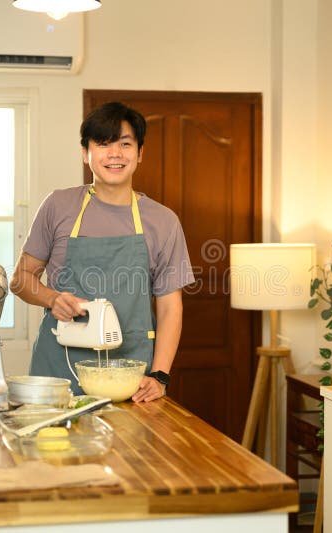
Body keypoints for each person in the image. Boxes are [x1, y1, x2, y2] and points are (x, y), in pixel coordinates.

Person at [10, 102, 194, 402]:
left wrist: (160, 375)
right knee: (52, 448)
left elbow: (171, 307)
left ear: (140, 153)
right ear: (86, 153)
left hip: (131, 378)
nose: (115, 154)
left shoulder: (163, 222)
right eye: (103, 144)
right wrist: (52, 298)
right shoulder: (58, 206)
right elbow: (20, 279)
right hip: (59, 371)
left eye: (125, 144)